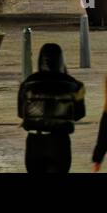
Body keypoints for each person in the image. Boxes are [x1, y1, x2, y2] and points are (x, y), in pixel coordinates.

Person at [18, 43, 86, 173]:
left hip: (35, 141)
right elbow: (79, 114)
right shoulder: (74, 85)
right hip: (60, 141)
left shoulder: (27, 84)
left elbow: (22, 113)